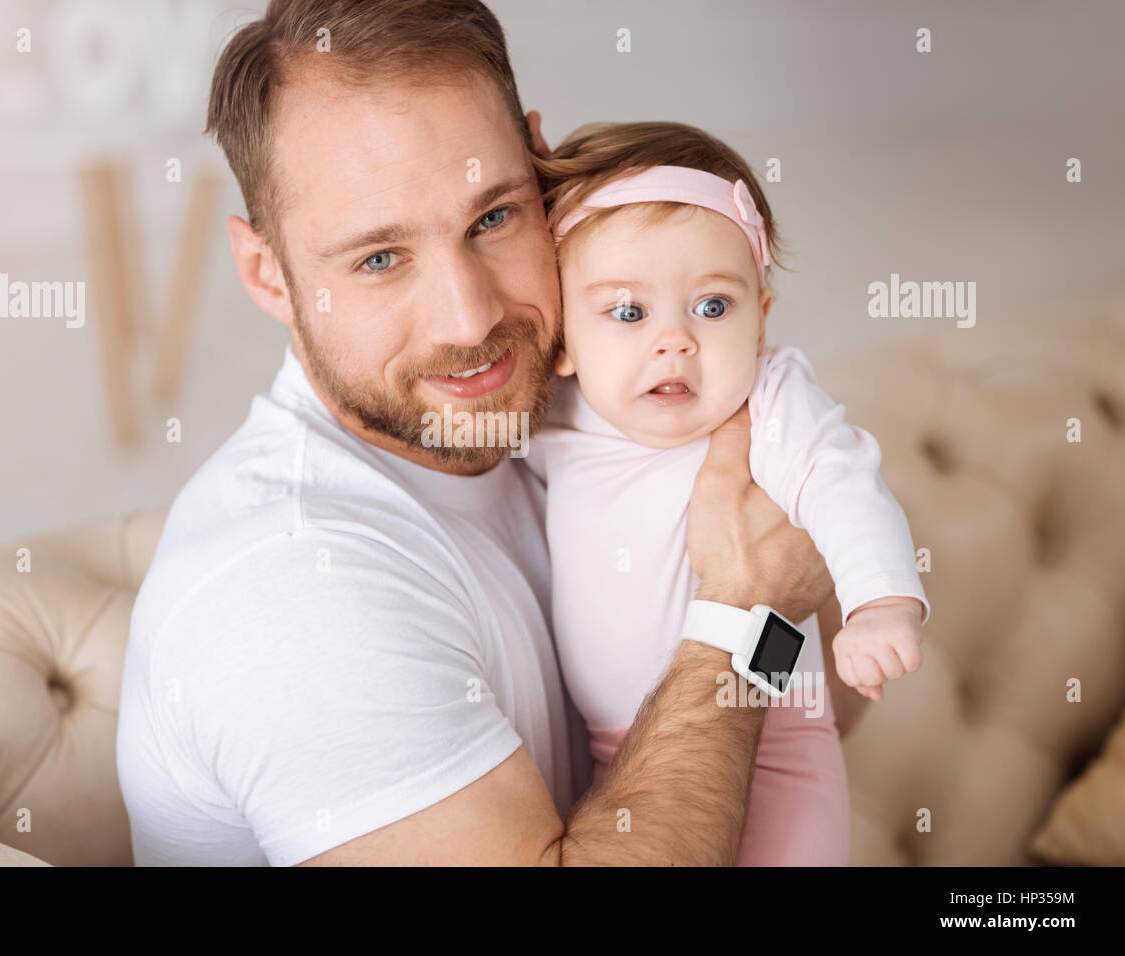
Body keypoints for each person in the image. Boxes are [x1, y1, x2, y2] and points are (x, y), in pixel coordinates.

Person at [116, 0, 833, 866]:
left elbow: (812, 714)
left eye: (492, 218)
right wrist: (749, 613)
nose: (470, 319)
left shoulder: (589, 407)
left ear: (543, 173)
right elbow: (766, 623)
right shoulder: (293, 587)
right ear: (268, 274)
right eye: (380, 259)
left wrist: (778, 598)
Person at [528, 120, 932, 865]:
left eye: (712, 307)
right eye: (628, 312)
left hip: (776, 735)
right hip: (623, 754)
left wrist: (881, 605)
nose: (674, 339)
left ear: (759, 318)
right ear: (561, 342)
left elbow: (844, 486)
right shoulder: (559, 411)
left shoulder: (772, 402)